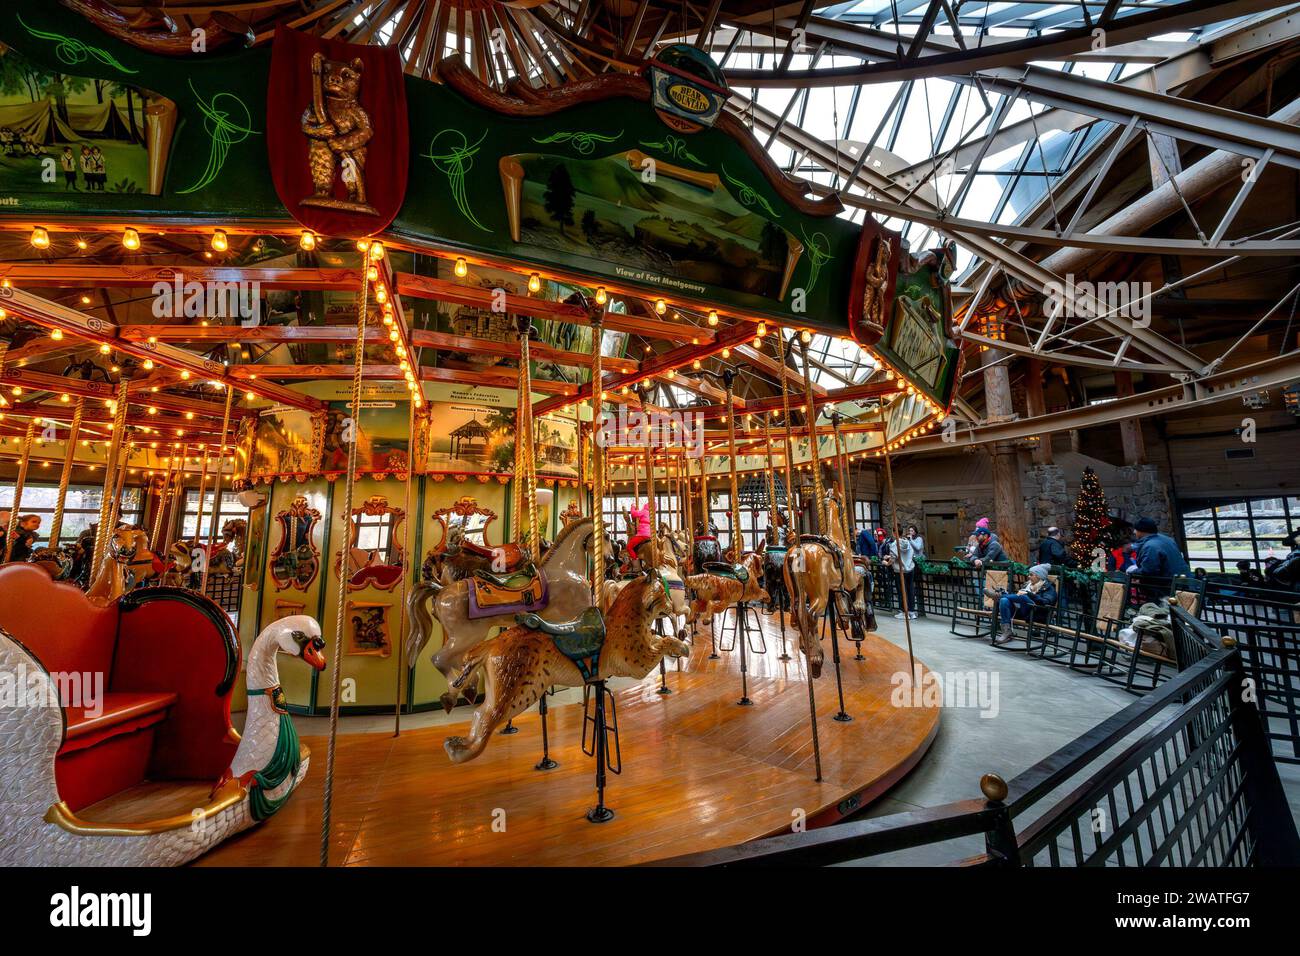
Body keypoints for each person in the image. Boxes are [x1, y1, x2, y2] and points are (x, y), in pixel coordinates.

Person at [990, 563, 1057, 645]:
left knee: (1023, 596)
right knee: (1004, 600)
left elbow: (1046, 602)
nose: (1028, 576)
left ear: (1039, 576)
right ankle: (1007, 631)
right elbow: (1017, 597)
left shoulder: (1049, 588)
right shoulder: (1027, 585)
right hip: (1022, 612)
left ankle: (999, 596)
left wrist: (1030, 594)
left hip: (1036, 614)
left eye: (1031, 574)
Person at [883, 532, 918, 619]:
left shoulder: (895, 544)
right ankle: (911, 611)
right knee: (910, 590)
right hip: (910, 568)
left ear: (894, 533)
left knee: (902, 591)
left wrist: (887, 563)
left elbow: (893, 558)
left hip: (900, 570)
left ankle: (903, 612)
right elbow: (910, 554)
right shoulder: (907, 542)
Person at [624, 500, 653, 571]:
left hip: (643, 533)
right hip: (650, 534)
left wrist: (633, 506)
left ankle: (636, 567)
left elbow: (633, 514)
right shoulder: (651, 514)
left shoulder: (645, 511)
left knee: (629, 547)